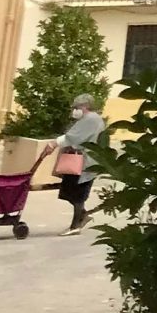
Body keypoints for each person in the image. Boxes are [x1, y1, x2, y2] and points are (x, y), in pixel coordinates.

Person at [53, 94, 106, 232]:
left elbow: (73, 137)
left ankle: (75, 225)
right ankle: (82, 215)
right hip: (79, 161)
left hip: (84, 162)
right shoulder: (89, 119)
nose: (75, 110)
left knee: (77, 194)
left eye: (77, 107)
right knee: (70, 192)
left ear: (85, 106)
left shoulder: (91, 119)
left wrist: (54, 143)